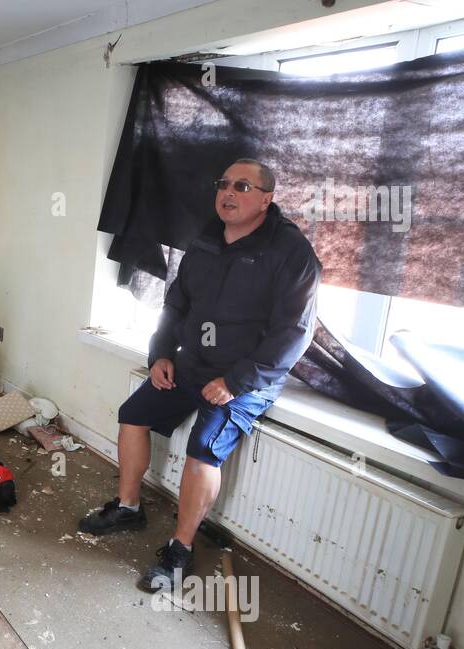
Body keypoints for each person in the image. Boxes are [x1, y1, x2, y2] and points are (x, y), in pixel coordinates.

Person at [79, 159, 322, 591]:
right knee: (132, 413)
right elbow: (176, 305)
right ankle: (129, 507)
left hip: (246, 378)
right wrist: (160, 355)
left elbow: (294, 333)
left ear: (267, 199)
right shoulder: (207, 239)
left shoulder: (291, 252)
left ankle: (179, 551)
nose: (229, 193)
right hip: (192, 363)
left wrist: (235, 382)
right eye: (224, 184)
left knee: (203, 448)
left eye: (243, 187)